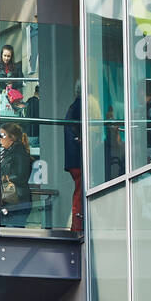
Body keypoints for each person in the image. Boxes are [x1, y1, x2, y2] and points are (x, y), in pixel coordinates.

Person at [0, 122, 32, 227]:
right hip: (11, 199)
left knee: (14, 232)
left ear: (12, 137)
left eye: (3, 136)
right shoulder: (8, 152)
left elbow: (20, 176)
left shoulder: (19, 152)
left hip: (18, 201)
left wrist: (0, 178)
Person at [63, 85, 83, 235]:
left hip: (73, 159)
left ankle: (76, 225)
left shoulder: (73, 106)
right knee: (79, 193)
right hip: (78, 159)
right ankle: (77, 226)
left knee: (78, 192)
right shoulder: (79, 106)